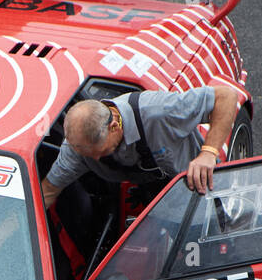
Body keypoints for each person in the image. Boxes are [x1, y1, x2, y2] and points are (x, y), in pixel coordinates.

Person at [41, 84, 241, 205]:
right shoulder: (78, 148)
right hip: (158, 203)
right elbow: (48, 191)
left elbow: (226, 96)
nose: (95, 160)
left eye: (101, 152)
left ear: (114, 127)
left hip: (201, 191)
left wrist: (208, 153)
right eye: (88, 156)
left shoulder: (158, 112)